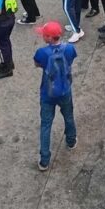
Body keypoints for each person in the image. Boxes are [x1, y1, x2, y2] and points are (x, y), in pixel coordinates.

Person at [34, 21, 78, 171]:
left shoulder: (42, 52)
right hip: (65, 90)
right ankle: (71, 140)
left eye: (43, 35)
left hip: (48, 93)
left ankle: (44, 160)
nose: (42, 37)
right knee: (69, 116)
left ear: (49, 38)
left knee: (46, 124)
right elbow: (72, 59)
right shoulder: (69, 48)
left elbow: (37, 64)